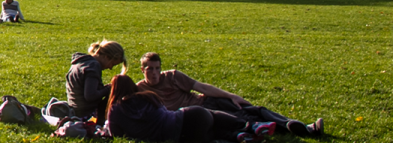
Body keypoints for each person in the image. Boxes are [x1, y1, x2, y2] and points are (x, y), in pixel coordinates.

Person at [136, 52, 324, 136]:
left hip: (206, 102)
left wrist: (230, 95)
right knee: (241, 118)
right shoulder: (140, 89)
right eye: (150, 69)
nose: (155, 73)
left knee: (249, 108)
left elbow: (203, 88)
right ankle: (276, 127)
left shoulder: (173, 76)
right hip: (197, 115)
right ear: (143, 70)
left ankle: (296, 126)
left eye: (157, 68)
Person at [102, 74, 273, 143]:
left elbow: (116, 134)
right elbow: (164, 110)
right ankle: (250, 127)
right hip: (185, 118)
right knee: (211, 118)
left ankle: (239, 136)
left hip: (175, 134)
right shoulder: (147, 96)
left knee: (206, 134)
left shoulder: (115, 111)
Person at [66, 40, 125, 120]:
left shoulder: (80, 63)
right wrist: (108, 88)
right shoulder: (93, 66)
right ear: (106, 57)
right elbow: (90, 96)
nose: (110, 68)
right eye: (112, 64)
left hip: (75, 111)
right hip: (87, 114)